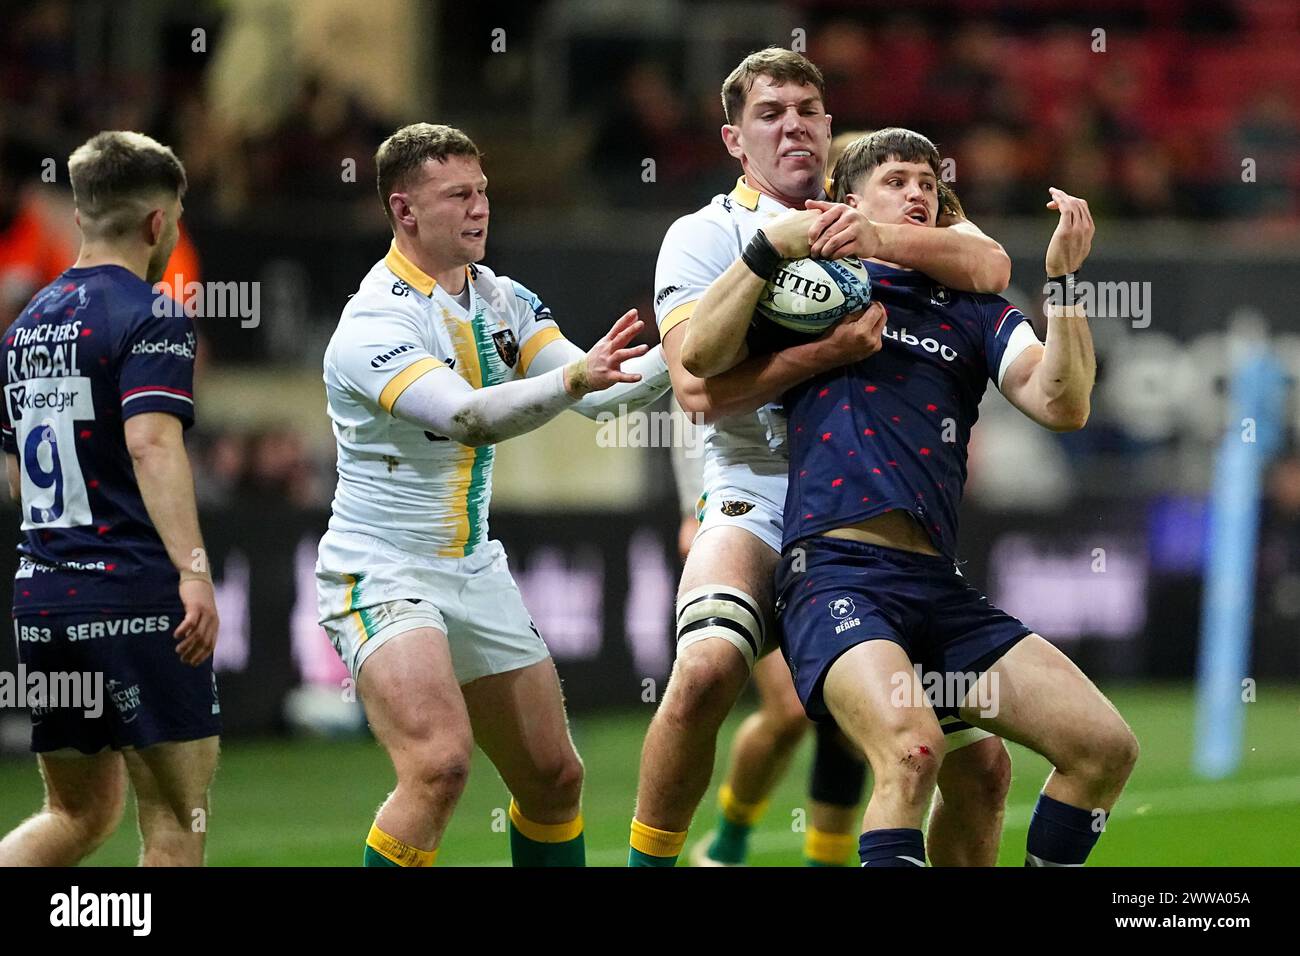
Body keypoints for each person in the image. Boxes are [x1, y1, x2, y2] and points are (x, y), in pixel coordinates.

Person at [629, 49, 1016, 868]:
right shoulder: (703, 235)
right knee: (704, 673)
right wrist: (827, 352)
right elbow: (697, 394)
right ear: (736, 139)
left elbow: (990, 264)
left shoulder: (876, 201)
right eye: (770, 113)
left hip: (867, 506)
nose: (793, 124)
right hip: (757, 491)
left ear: (831, 126)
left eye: (807, 108)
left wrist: (882, 232)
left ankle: (820, 853)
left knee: (979, 768)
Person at [771, 127, 1138, 866]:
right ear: (849, 201)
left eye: (928, 186)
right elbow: (700, 365)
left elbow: (1062, 403)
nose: (917, 193)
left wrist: (1064, 285)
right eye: (897, 179)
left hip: (937, 587)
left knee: (1102, 748)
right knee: (912, 752)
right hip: (837, 576)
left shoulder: (969, 309)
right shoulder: (811, 289)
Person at [316, 122, 669, 867]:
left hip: (473, 566)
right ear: (405, 210)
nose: (480, 209)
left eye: (483, 192)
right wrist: (573, 379)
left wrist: (713, 327)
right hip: (381, 568)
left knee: (553, 776)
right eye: (458, 196)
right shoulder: (374, 320)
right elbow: (468, 418)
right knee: (440, 764)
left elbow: (604, 393)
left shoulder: (502, 298)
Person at [0, 131, 220, 866]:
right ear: (158, 223)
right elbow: (152, 444)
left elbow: (13, 471)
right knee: (173, 822)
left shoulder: (24, 327)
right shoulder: (151, 314)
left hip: (44, 599)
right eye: (178, 214)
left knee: (74, 812)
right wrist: (192, 570)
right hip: (133, 594)